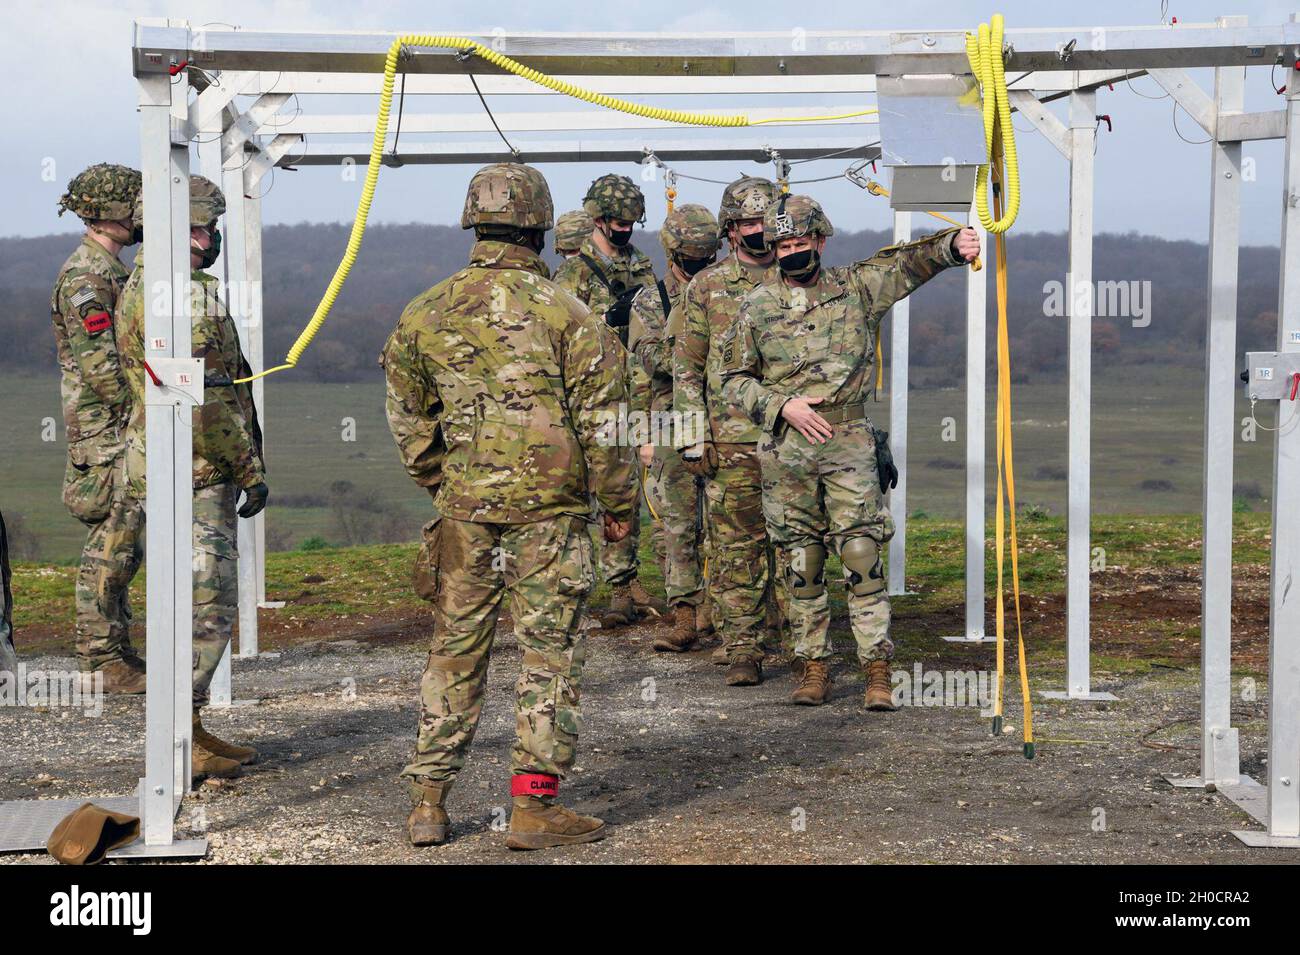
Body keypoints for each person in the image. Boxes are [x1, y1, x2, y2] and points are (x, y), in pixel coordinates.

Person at [383, 162, 638, 850]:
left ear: (474, 219)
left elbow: (409, 418)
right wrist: (618, 506)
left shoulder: (424, 310)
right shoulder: (569, 311)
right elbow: (606, 424)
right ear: (540, 223)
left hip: (466, 513)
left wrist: (446, 483)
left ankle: (429, 803)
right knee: (547, 655)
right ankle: (532, 807)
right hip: (551, 517)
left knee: (454, 649)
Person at [720, 194, 980, 707]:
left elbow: (906, 264)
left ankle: (876, 669)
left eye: (801, 241)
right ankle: (812, 666)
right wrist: (781, 405)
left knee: (861, 554)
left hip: (849, 443)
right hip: (787, 447)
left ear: (819, 240)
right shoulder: (755, 306)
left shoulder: (854, 288)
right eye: (783, 244)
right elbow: (730, 380)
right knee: (804, 560)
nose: (792, 251)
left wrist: (952, 245)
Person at [117, 176, 269, 777]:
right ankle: (182, 733)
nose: (213, 239)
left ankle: (192, 729)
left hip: (169, 461)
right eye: (206, 226)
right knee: (209, 602)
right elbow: (203, 394)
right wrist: (248, 468)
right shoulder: (186, 293)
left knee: (186, 601)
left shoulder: (147, 284)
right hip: (198, 467)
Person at [672, 176, 787, 685]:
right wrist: (692, 436)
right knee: (735, 549)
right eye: (746, 222)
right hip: (730, 439)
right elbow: (686, 368)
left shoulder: (800, 277)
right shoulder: (707, 287)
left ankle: (797, 636)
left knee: (796, 543)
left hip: (794, 438)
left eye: (764, 220)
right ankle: (743, 647)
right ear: (730, 229)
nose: (756, 230)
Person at [554, 174, 666, 627]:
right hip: (593, 392)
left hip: (637, 390)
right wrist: (605, 318)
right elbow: (560, 329)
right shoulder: (573, 271)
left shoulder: (641, 264)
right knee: (592, 489)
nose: (624, 229)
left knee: (633, 489)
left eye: (630, 222)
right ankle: (589, 586)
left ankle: (626, 581)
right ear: (598, 219)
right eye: (616, 222)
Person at [52, 163, 146, 694]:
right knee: (112, 539)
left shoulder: (109, 271)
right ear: (111, 213)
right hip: (106, 429)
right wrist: (139, 414)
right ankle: (100, 659)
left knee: (125, 540)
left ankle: (118, 653)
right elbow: (102, 366)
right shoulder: (87, 277)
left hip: (117, 425)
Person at [628, 203, 719, 652]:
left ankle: (726, 612)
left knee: (729, 522)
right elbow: (650, 356)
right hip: (669, 418)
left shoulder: (728, 291)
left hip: (725, 415)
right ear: (672, 255)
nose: (699, 267)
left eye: (706, 257)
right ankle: (684, 613)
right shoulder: (650, 300)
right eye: (691, 259)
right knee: (679, 523)